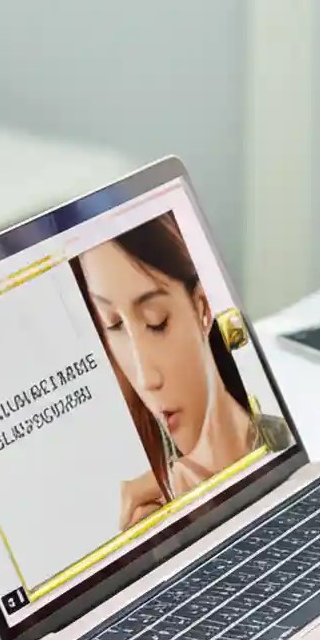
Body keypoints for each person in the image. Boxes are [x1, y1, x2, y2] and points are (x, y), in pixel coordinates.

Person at [70, 213, 292, 530]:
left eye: (156, 321)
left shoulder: (281, 441)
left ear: (202, 308)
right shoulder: (156, 504)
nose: (146, 379)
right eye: (114, 324)